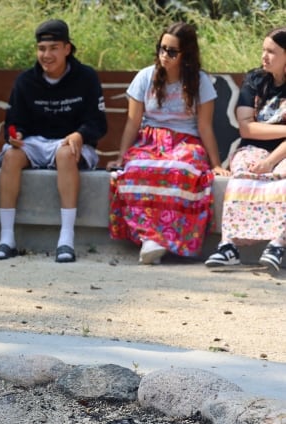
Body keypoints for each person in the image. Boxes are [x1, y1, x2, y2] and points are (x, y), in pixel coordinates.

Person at [108, 22, 229, 265]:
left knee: (181, 171)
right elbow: (133, 122)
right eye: (162, 49)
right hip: (150, 140)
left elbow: (205, 126)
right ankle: (150, 238)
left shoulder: (200, 81)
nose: (165, 55)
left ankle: (160, 241)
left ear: (187, 54)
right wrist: (121, 156)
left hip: (186, 142)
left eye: (172, 51)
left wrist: (216, 164)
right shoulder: (145, 77)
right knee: (134, 170)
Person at [0, 19, 108, 263]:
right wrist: (16, 135)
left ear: (67, 48)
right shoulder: (25, 81)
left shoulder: (86, 77)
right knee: (10, 157)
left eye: (54, 48)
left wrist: (79, 134)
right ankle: (6, 238)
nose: (47, 55)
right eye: (42, 49)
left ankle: (66, 240)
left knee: (65, 153)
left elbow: (98, 123)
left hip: (72, 144)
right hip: (34, 144)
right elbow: (14, 122)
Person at [205, 27, 286, 273]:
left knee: (283, 182)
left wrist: (271, 161)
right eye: (263, 50)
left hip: (282, 151)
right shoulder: (254, 80)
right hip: (252, 147)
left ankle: (277, 245)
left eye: (271, 51)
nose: (264, 56)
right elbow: (246, 129)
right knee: (239, 178)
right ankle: (229, 246)